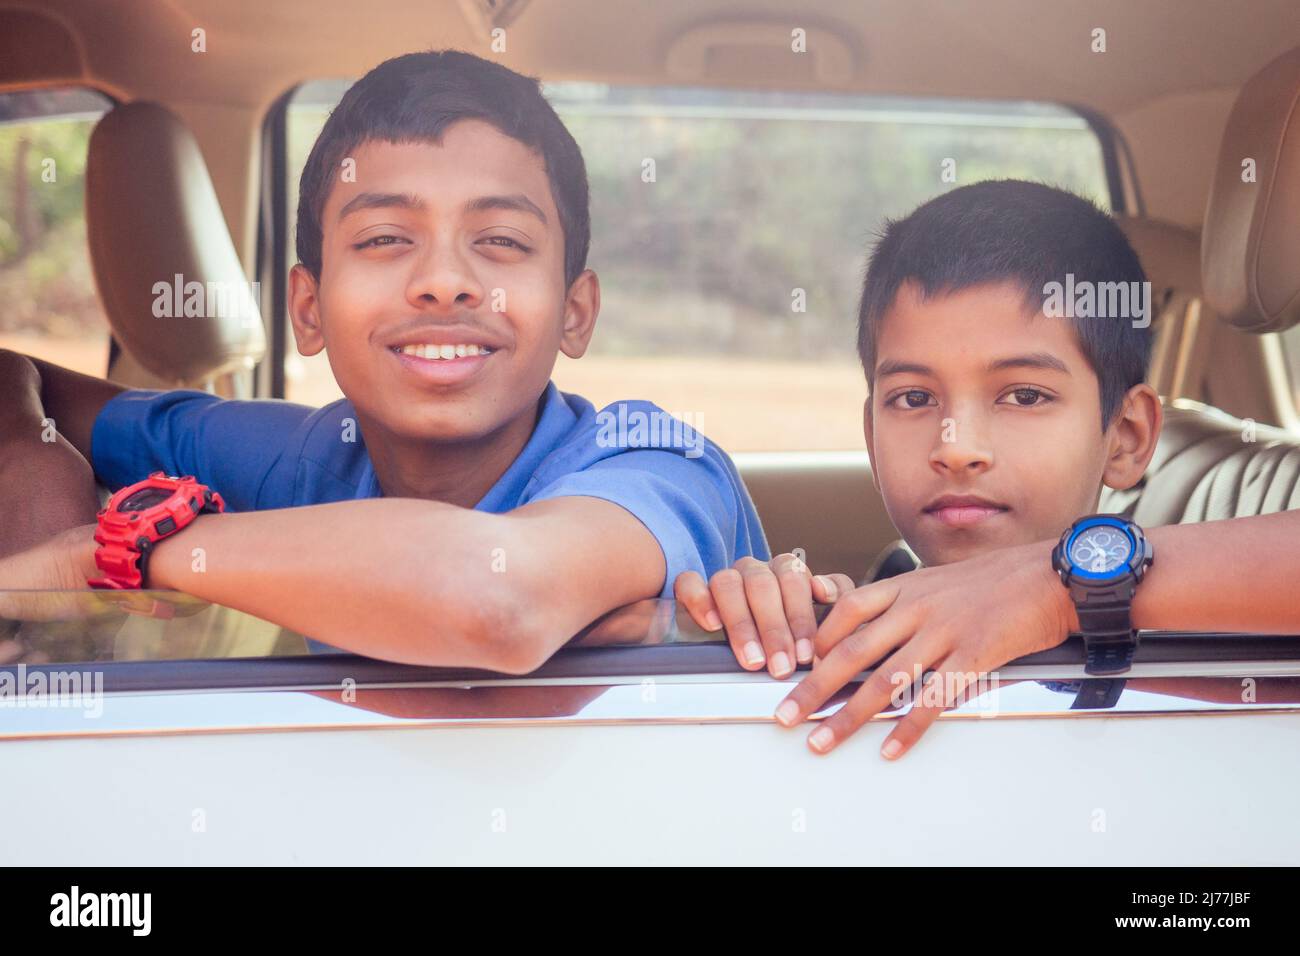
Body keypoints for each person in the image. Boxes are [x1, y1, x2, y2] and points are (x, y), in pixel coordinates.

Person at [0, 50, 768, 669]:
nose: (443, 283)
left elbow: (496, 600)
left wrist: (122, 553)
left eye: (500, 241)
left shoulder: (659, 463)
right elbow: (15, 378)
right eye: (384, 240)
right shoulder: (306, 460)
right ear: (309, 310)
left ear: (575, 311)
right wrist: (31, 467)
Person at [675, 180, 1300, 757]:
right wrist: (785, 622)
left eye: (1024, 395)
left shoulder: (1205, 667)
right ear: (870, 436)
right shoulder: (876, 589)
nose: (956, 446)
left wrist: (1058, 587)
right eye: (914, 399)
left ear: (1126, 437)